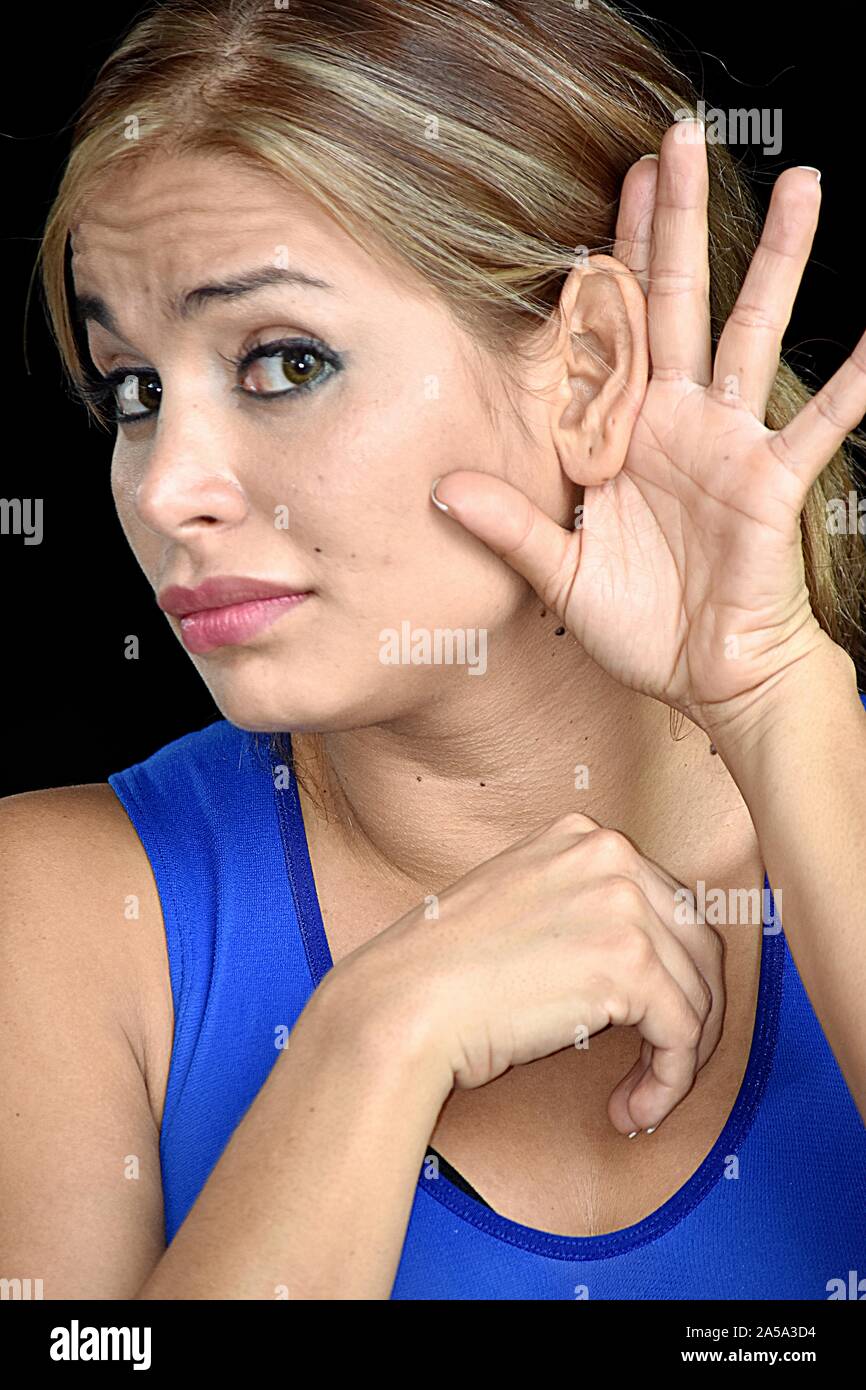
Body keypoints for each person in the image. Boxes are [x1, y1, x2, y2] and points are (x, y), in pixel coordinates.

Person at [3, 0, 865, 1300]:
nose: (164, 485)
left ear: (581, 370)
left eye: (281, 360)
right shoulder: (59, 919)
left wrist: (775, 695)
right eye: (134, 388)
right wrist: (371, 1038)